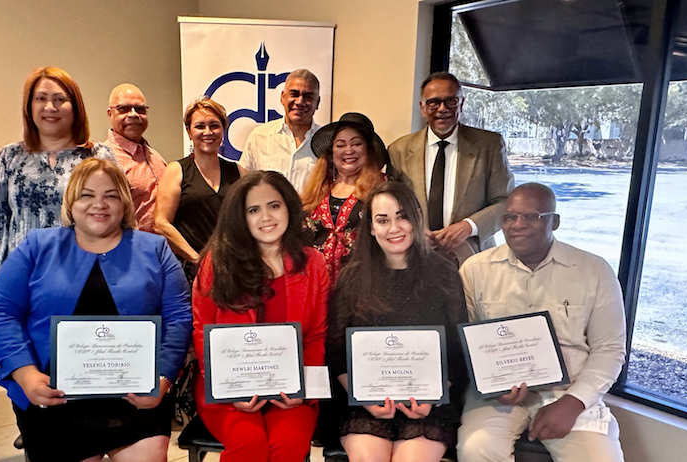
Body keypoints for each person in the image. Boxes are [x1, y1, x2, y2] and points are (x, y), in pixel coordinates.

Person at [0, 158, 192, 462]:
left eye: (111, 195)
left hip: (135, 395)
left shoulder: (155, 249)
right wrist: (25, 374)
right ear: (70, 203)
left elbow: (178, 317)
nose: (99, 204)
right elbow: (0, 312)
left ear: (125, 203)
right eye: (87, 195)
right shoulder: (37, 246)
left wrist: (163, 378)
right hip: (54, 395)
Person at [457, 183, 626, 462]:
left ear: (554, 221)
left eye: (531, 216)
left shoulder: (594, 271)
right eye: (509, 217)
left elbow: (609, 349)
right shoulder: (475, 270)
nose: (517, 225)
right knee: (477, 449)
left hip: (568, 391)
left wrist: (574, 402)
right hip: (497, 395)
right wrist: (493, 387)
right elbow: (467, 344)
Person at [326, 181, 469, 462]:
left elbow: (458, 349)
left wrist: (432, 397)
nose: (394, 228)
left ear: (416, 219)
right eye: (383, 220)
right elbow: (336, 350)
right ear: (371, 228)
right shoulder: (352, 277)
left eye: (402, 217)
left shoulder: (444, 272)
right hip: (365, 403)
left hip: (428, 403)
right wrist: (364, 397)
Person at [192, 171, 329, 462]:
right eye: (253, 210)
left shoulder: (313, 263)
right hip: (229, 389)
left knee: (288, 446)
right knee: (249, 445)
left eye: (274, 205)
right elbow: (203, 331)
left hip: (292, 389)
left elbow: (317, 335)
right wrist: (230, 391)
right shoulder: (217, 262)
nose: (266, 217)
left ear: (289, 207)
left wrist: (302, 389)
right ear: (240, 217)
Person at [0, 67, 116, 285]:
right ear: (29, 106)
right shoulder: (9, 157)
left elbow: (120, 218)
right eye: (40, 98)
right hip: (23, 279)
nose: (50, 107)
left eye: (60, 99)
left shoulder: (98, 156)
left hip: (88, 278)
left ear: (75, 107)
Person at [388, 72, 514, 261]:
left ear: (461, 104)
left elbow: (506, 202)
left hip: (472, 256)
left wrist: (469, 226)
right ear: (423, 108)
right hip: (416, 256)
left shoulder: (489, 145)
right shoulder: (399, 150)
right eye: (433, 102)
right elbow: (392, 204)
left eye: (451, 101)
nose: (442, 109)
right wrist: (413, 228)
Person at [154, 96, 245, 276]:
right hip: (192, 270)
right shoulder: (176, 170)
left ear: (223, 130)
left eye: (214, 125)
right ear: (189, 132)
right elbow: (161, 223)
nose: (208, 132)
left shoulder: (239, 171)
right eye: (200, 126)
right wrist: (197, 259)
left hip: (233, 269)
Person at [302, 112, 387, 283]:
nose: (349, 150)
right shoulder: (317, 188)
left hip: (362, 283)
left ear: (368, 150)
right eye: (340, 145)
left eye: (357, 143)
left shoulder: (382, 187)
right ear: (331, 152)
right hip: (317, 283)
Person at [239, 69, 321, 193]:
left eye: (308, 96)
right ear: (283, 97)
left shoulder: (328, 142)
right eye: (294, 94)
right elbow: (243, 185)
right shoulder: (259, 136)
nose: (300, 102)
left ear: (317, 102)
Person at [104, 83, 167, 233]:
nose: (133, 114)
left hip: (163, 246)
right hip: (128, 246)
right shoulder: (104, 160)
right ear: (110, 114)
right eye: (123, 109)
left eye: (140, 109)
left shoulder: (156, 157)